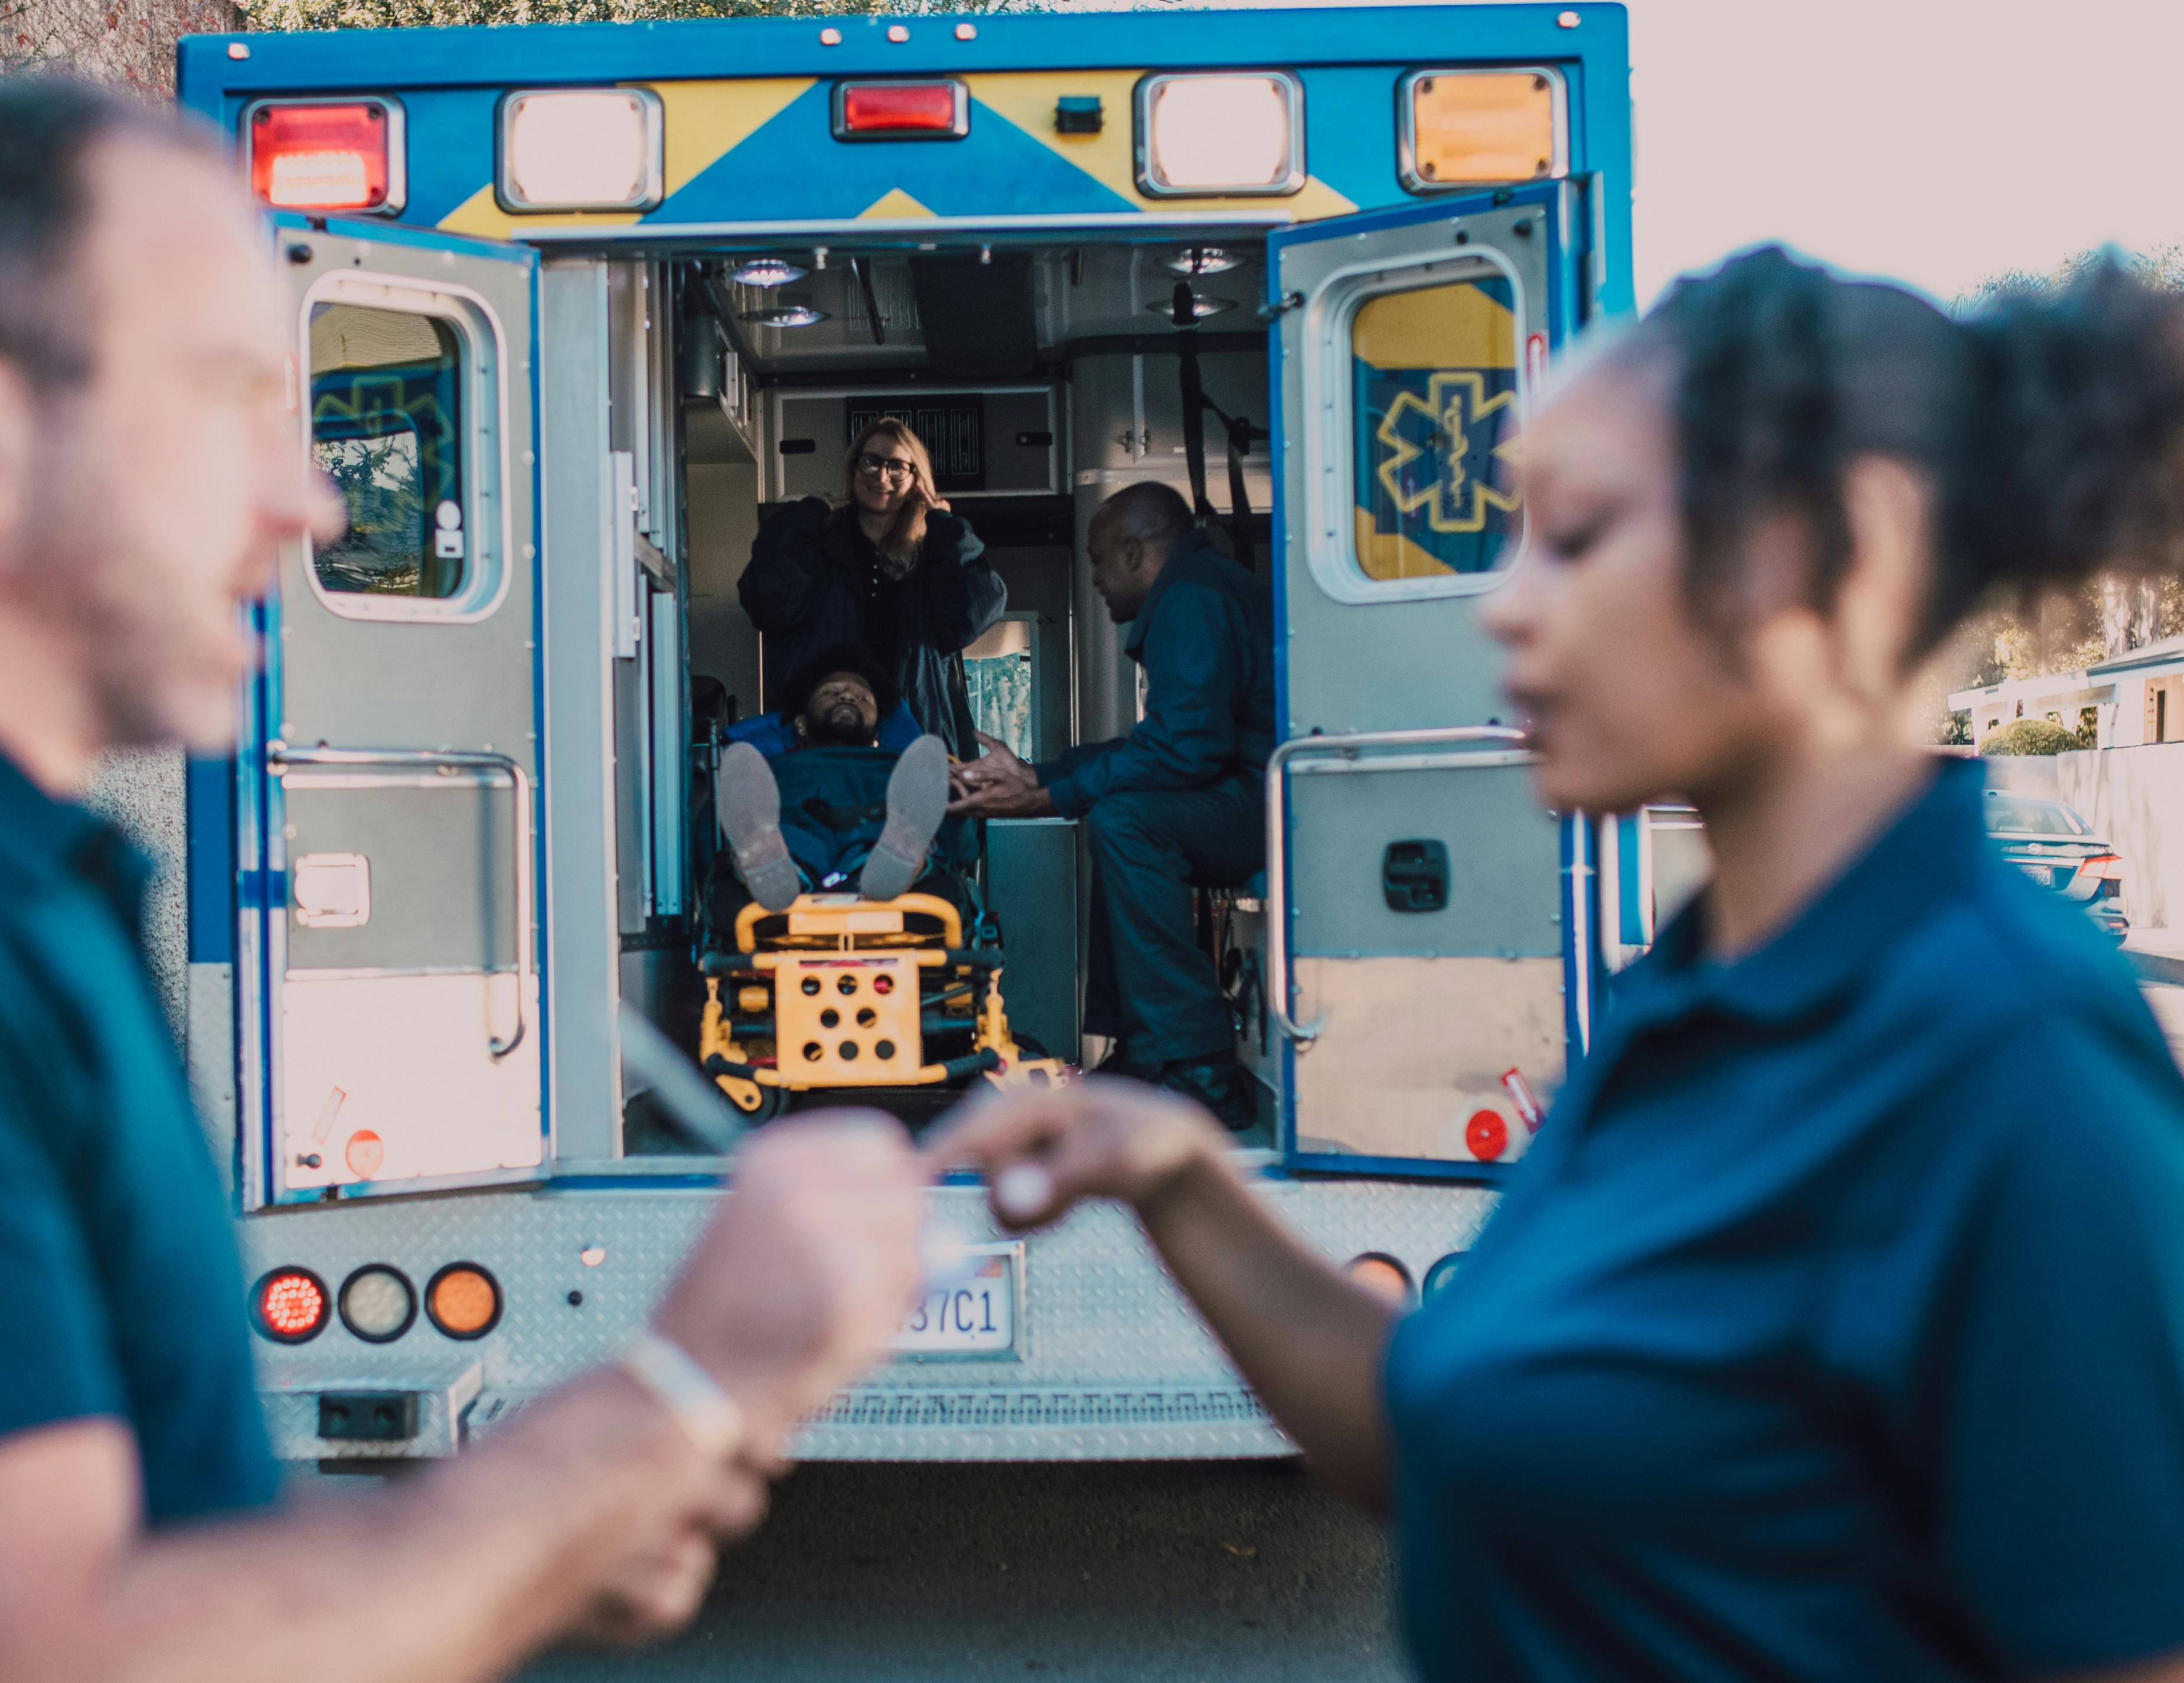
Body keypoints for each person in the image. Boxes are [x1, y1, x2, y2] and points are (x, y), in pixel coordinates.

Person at [0, 73, 929, 1683]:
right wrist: (677, 1390)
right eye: (220, 404)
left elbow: (161, 1537)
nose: (306, 498)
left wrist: (525, 1531)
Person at [934, 246, 2184, 1681]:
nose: (1503, 608)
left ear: (1841, 549)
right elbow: (1457, 1429)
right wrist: (1170, 1178)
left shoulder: (2014, 1071)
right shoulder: (1687, 994)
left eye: (1578, 537)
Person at [949, 482, 1274, 1128]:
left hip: (1272, 805)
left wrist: (1048, 792)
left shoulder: (1192, 597)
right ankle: (1148, 1046)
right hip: (1252, 793)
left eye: (1097, 558)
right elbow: (1170, 743)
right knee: (1118, 806)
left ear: (1132, 552)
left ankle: (1195, 1064)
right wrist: (1042, 774)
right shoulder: (1198, 589)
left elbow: (1187, 750)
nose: (1093, 577)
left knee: (1125, 820)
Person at [737, 417, 1007, 755]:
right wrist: (807, 514)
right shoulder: (818, 541)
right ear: (854, 469)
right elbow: (769, 604)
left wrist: (946, 528)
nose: (882, 477)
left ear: (916, 479)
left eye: (897, 467)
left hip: (913, 732)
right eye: (871, 463)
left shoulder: (933, 554)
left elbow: (968, 618)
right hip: (819, 733)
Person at [714, 645, 956, 915]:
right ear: (801, 723)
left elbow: (961, 841)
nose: (848, 697)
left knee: (889, 835)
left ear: (877, 729)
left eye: (862, 698)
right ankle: (779, 866)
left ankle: (894, 859)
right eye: (831, 693)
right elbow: (708, 837)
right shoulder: (765, 772)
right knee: (787, 836)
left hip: (882, 840)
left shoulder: (904, 769)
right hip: (787, 840)